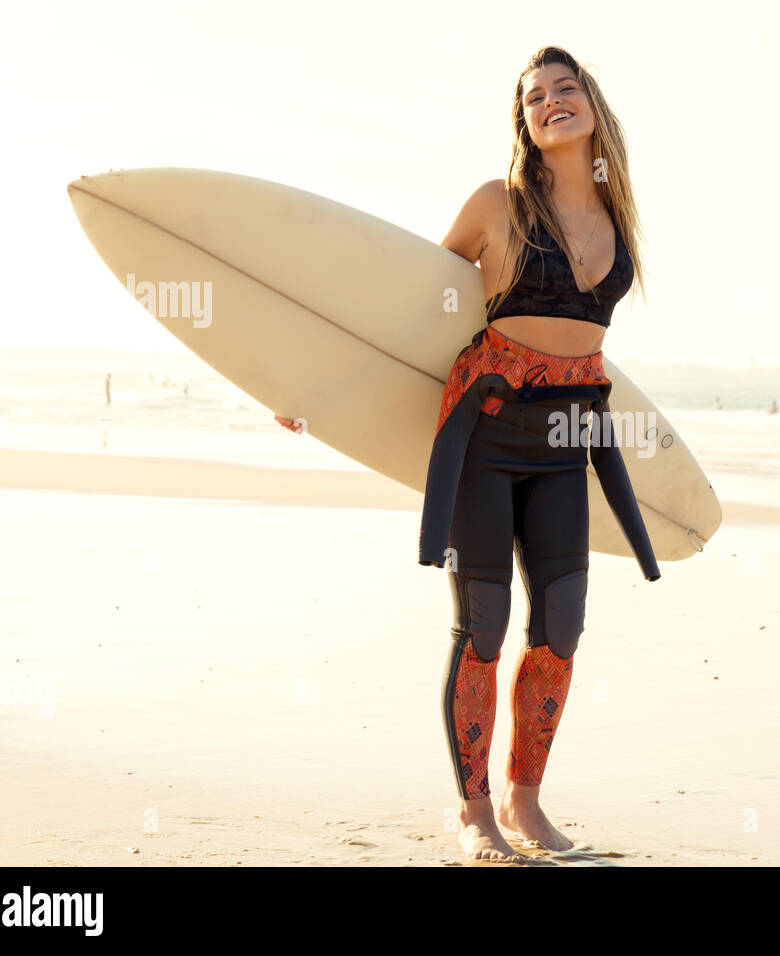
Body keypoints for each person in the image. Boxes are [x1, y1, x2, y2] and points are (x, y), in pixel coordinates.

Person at [277, 46, 659, 862]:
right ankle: (474, 813)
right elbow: (410, 312)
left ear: (593, 104)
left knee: (562, 626)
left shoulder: (618, 215)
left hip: (566, 441)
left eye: (565, 88)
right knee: (483, 625)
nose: (551, 101)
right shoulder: (498, 205)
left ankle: (525, 802)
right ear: (524, 123)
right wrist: (314, 388)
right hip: (485, 432)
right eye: (534, 97)